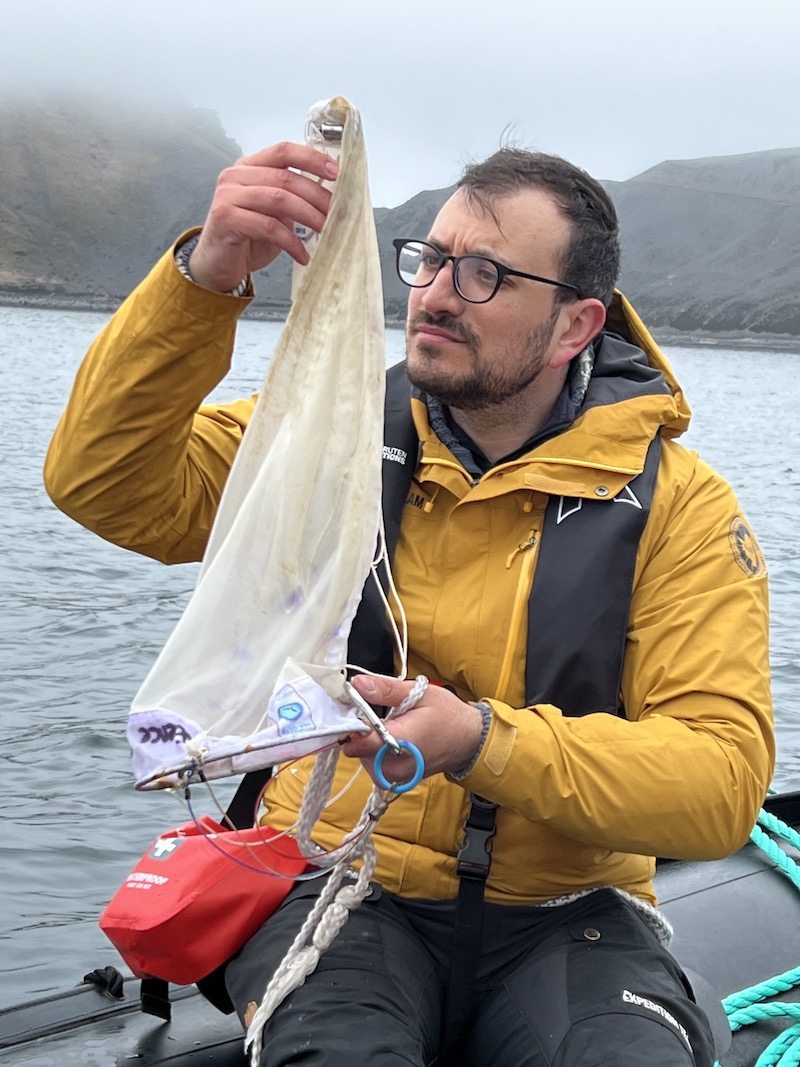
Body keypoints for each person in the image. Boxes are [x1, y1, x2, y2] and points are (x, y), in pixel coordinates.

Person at [44, 138, 774, 1067]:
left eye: (483, 275)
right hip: (340, 880)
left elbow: (717, 787)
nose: (431, 294)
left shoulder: (681, 508)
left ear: (574, 325)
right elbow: (102, 482)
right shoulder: (327, 441)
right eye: (429, 260)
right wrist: (205, 274)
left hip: (572, 913)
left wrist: (478, 739)